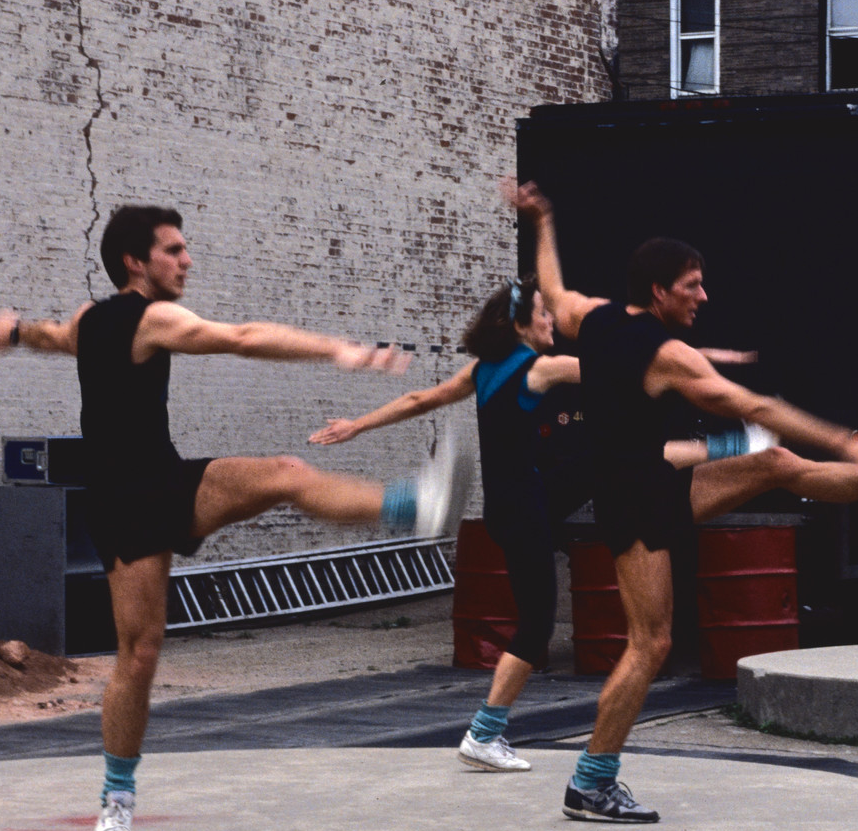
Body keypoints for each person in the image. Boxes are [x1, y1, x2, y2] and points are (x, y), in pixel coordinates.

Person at [0, 204, 432, 831]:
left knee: (286, 473)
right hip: (124, 504)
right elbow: (241, 337)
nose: (187, 261)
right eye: (174, 250)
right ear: (136, 261)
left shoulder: (90, 320)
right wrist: (337, 349)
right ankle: (116, 801)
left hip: (168, 479)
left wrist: (14, 330)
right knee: (139, 654)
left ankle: (414, 506)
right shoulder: (147, 317)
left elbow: (53, 336)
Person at [510, 178, 858, 824]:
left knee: (775, 464)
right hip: (635, 504)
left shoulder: (597, 319)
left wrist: (543, 220)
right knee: (650, 643)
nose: (704, 296)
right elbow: (757, 406)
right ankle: (591, 782)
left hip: (654, 479)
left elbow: (554, 292)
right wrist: (845, 440)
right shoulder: (666, 355)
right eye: (692, 285)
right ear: (659, 291)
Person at [311, 278, 749, 773]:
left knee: (603, 458)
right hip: (523, 511)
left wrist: (357, 425)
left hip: (519, 501)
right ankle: (483, 734)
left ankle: (718, 450)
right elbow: (630, 365)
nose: (550, 321)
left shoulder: (483, 368)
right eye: (542, 313)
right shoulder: (539, 368)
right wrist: (696, 361)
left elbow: (418, 400)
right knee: (536, 627)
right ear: (519, 324)